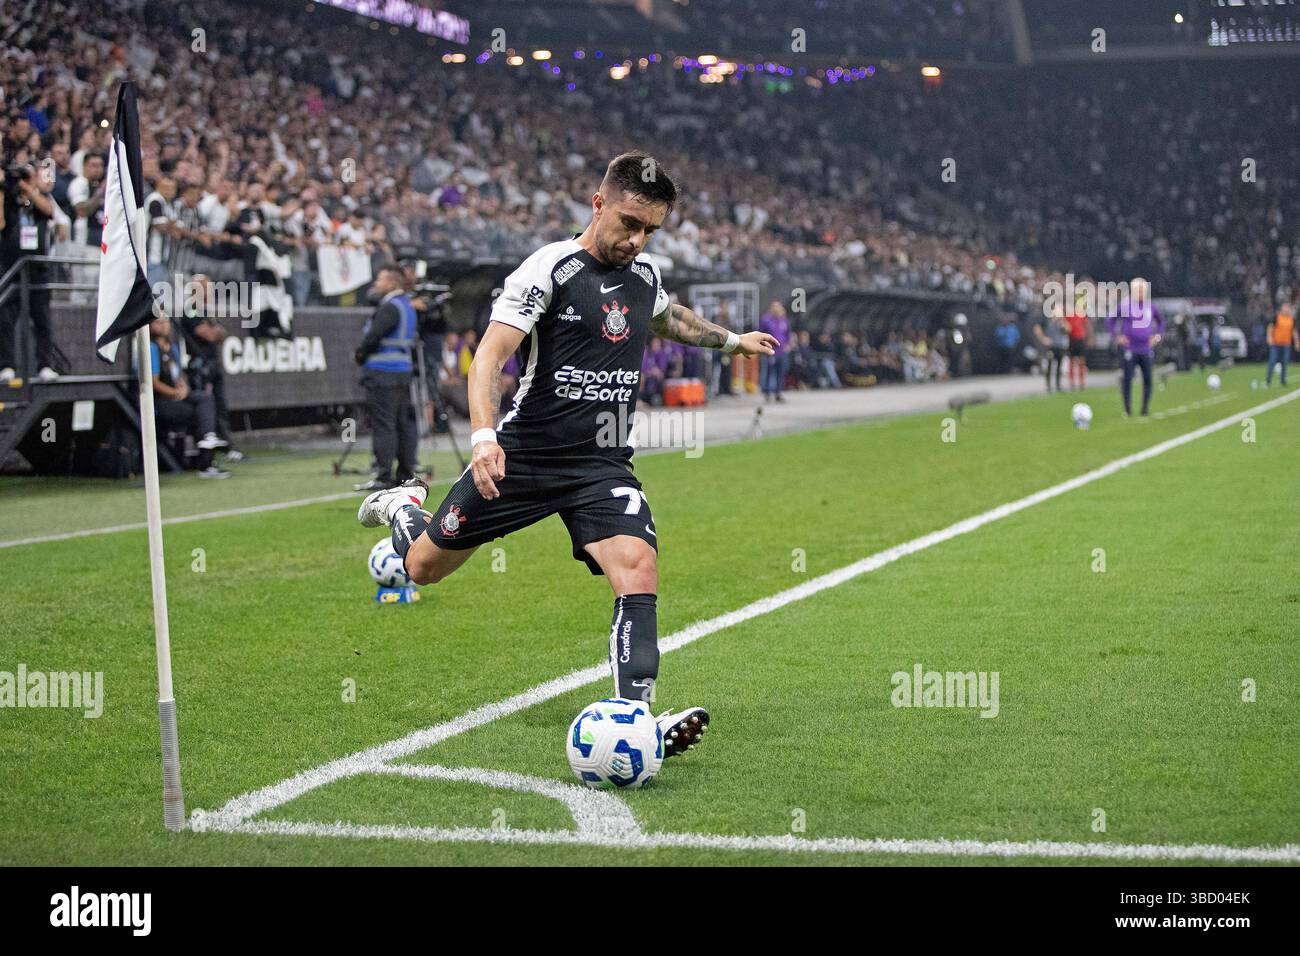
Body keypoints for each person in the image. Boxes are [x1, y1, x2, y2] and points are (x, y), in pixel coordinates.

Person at [355, 152, 778, 763]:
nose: (636, 240)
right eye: (629, 222)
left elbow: (670, 319)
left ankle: (636, 718)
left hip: (602, 463)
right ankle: (404, 508)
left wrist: (733, 341)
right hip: (522, 455)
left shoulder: (645, 276)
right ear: (599, 202)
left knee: (637, 569)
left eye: (650, 231)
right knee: (423, 568)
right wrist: (483, 439)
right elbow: (490, 357)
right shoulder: (547, 270)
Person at [353, 263, 419, 491]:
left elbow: (372, 338)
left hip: (383, 373)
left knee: (384, 426)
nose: (376, 284)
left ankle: (383, 475)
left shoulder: (389, 307)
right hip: (402, 373)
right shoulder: (407, 306)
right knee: (403, 424)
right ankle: (404, 473)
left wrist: (360, 354)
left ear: (392, 283)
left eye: (380, 279)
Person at [144, 314, 229, 478]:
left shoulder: (173, 347)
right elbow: (153, 382)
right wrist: (174, 392)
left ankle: (207, 439)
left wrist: (182, 387)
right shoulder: (151, 348)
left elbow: (179, 374)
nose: (163, 325)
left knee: (206, 398)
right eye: (158, 322)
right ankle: (206, 463)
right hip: (163, 401)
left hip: (178, 397)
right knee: (203, 414)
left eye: (166, 321)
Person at [0, 159, 58, 383]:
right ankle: (6, 366)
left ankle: (45, 365)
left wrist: (30, 191)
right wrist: (4, 190)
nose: (21, 182)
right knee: (5, 319)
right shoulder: (8, 201)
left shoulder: (39, 199)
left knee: (42, 319)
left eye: (26, 177)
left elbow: (50, 211)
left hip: (37, 269)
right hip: (11, 268)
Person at [1107, 277, 1164, 417]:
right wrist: (1117, 337)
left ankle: (1145, 408)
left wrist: (1157, 337)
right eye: (1138, 289)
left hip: (1146, 349)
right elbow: (1110, 320)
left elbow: (1161, 321)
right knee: (1127, 379)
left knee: (1148, 379)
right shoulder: (1125, 306)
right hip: (1130, 349)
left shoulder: (1150, 306)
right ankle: (1127, 409)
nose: (1140, 292)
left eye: (1142, 289)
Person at [759, 300, 791, 402]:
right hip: (770, 351)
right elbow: (760, 333)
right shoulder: (766, 320)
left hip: (782, 352)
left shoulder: (784, 320)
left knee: (780, 373)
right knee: (769, 372)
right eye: (774, 306)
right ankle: (767, 393)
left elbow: (788, 334)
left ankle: (778, 393)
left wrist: (788, 344)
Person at [1033, 307, 1069, 393]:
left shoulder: (1061, 322)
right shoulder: (1047, 320)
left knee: (1059, 366)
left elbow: (1068, 330)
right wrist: (1043, 338)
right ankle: (1049, 386)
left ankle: (1058, 385)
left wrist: (1062, 322)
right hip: (1051, 346)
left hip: (1060, 346)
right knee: (1049, 366)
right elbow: (1037, 328)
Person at [1265, 303, 1298, 387]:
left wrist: (1297, 342)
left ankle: (1283, 380)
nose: (1286, 309)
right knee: (1272, 361)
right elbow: (1270, 327)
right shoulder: (1277, 317)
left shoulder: (1291, 319)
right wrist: (1269, 337)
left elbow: (1294, 331)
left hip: (1286, 344)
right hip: (1276, 344)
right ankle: (1268, 380)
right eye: (1285, 307)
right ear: (1282, 309)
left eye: (1288, 308)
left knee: (1285, 362)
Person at [1064, 300, 1091, 391]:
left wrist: (1088, 336)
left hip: (1080, 339)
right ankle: (1072, 382)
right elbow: (1066, 327)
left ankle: (1081, 382)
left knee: (1082, 362)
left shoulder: (1081, 315)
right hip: (1072, 340)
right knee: (1072, 362)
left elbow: (1086, 325)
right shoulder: (1068, 316)